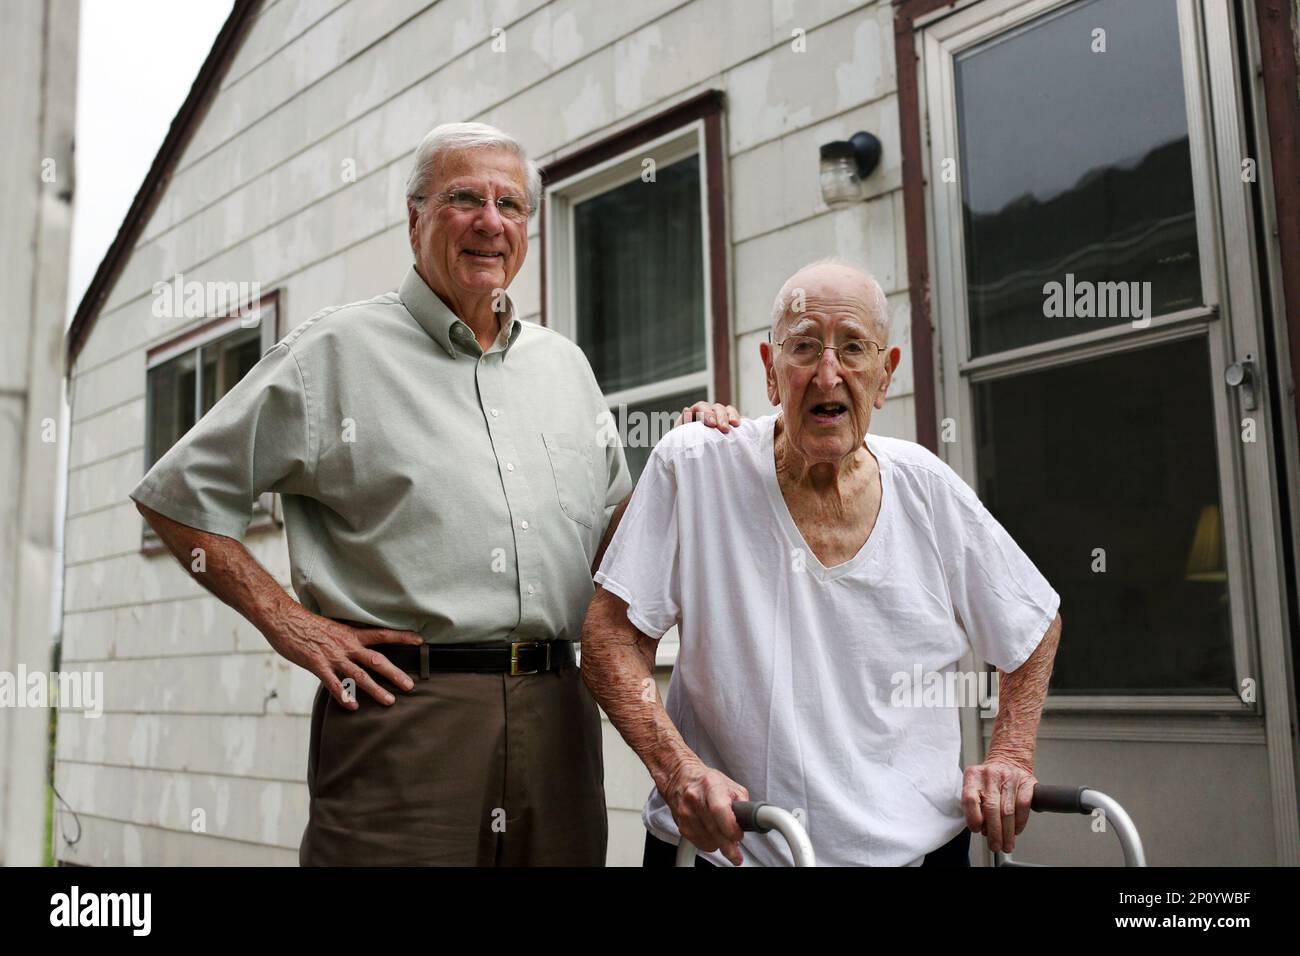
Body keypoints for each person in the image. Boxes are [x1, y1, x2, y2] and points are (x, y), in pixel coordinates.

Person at [132, 121, 738, 866]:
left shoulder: (565, 369)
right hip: (406, 718)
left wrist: (694, 453)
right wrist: (293, 624)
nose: (491, 222)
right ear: (414, 217)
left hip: (560, 716)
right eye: (464, 198)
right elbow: (176, 496)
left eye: (510, 205)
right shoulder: (335, 354)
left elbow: (620, 543)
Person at [580, 259, 1063, 867]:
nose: (827, 373)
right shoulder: (697, 466)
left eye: (853, 349)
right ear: (771, 372)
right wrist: (678, 770)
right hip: (730, 851)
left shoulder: (927, 488)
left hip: (919, 854)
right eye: (804, 346)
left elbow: (1034, 622)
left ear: (885, 376)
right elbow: (611, 638)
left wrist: (1010, 754)